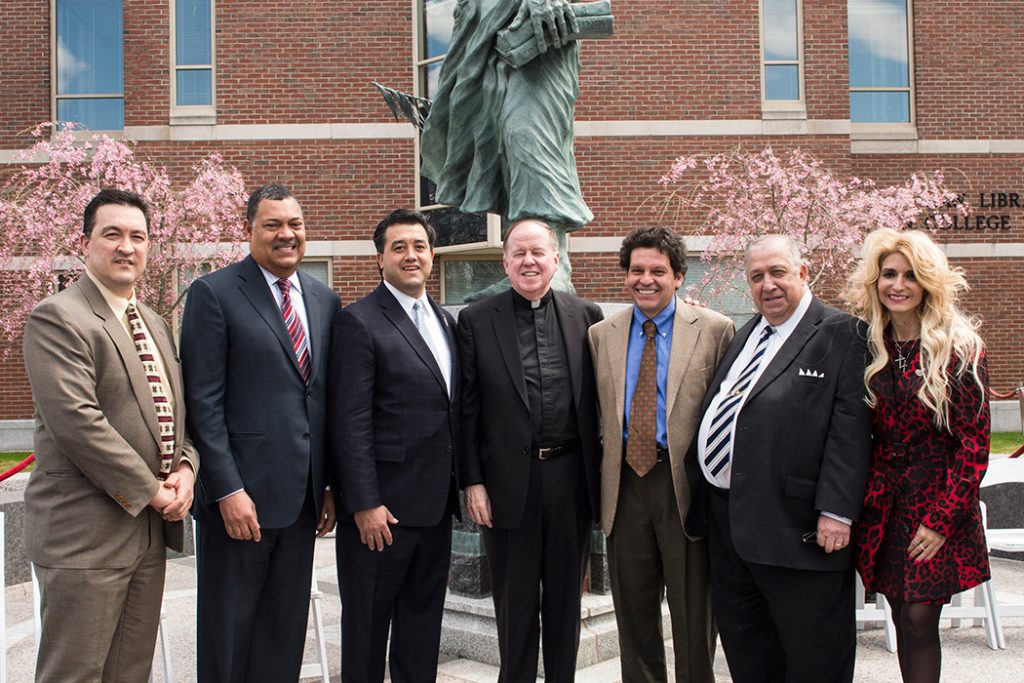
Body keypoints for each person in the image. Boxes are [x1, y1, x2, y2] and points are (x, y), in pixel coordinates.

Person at [22, 188, 198, 683]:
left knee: (129, 672)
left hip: (145, 536)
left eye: (138, 236)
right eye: (112, 234)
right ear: (85, 242)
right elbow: (79, 424)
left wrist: (186, 467)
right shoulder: (58, 317)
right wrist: (152, 491)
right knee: (74, 674)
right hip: (84, 537)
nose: (127, 246)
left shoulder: (157, 324)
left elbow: (175, 414)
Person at [684, 234, 871, 683]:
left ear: (803, 273)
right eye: (757, 277)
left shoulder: (842, 332)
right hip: (730, 528)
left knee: (813, 661)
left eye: (778, 273)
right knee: (749, 654)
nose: (768, 285)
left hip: (800, 531)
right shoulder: (747, 332)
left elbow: (851, 431)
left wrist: (837, 512)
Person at [180, 184, 339, 682]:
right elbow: (202, 402)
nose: (286, 235)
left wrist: (329, 483)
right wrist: (227, 488)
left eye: (295, 224)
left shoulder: (324, 299)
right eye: (272, 225)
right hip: (240, 504)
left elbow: (322, 399)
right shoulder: (214, 294)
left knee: (283, 636)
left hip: (303, 503)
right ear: (248, 230)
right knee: (230, 637)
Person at [457, 219, 602, 682]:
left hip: (570, 480)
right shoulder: (477, 319)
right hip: (505, 487)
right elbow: (466, 410)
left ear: (556, 259)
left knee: (564, 603)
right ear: (505, 262)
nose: (529, 261)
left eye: (538, 252)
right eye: (518, 253)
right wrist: (472, 482)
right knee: (514, 607)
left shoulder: (588, 317)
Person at [588, 226, 733, 682]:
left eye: (657, 271)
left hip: (684, 487)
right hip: (625, 485)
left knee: (693, 613)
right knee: (633, 612)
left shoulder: (714, 329)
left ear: (678, 277)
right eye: (636, 270)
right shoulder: (601, 334)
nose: (645, 279)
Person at [846, 228, 990, 683]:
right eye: (889, 274)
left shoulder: (960, 347)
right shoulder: (867, 344)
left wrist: (940, 522)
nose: (899, 285)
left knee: (919, 618)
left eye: (910, 275)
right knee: (898, 613)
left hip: (939, 503)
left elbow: (974, 446)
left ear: (928, 281)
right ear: (876, 281)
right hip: (884, 506)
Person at [328, 209, 460, 683]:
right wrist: (364, 502)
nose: (411, 255)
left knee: (421, 632)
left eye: (419, 246)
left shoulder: (446, 321)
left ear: (431, 255)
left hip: (434, 511)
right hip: (380, 516)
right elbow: (349, 422)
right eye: (399, 247)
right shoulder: (358, 322)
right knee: (366, 633)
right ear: (380, 258)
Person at [421, 0, 592, 292]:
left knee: (528, 135)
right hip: (493, 36)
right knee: (501, 152)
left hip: (540, 35)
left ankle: (554, 264)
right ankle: (524, 260)